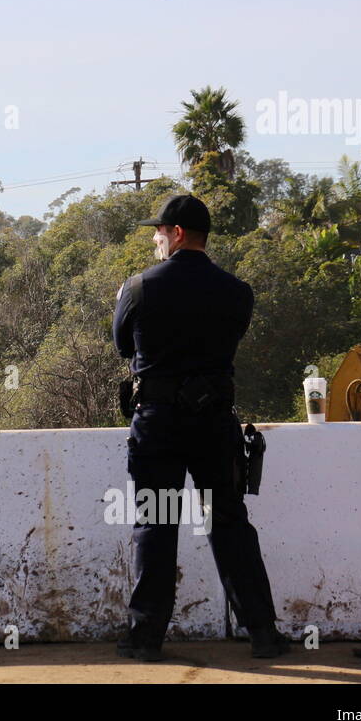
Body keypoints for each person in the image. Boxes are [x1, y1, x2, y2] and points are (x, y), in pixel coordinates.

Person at [111, 194, 288, 661]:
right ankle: (264, 634)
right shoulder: (237, 292)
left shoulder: (138, 287)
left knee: (155, 521)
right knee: (229, 523)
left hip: (158, 424)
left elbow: (122, 345)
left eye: (159, 232)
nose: (155, 239)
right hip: (213, 422)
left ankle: (145, 638)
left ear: (178, 234)